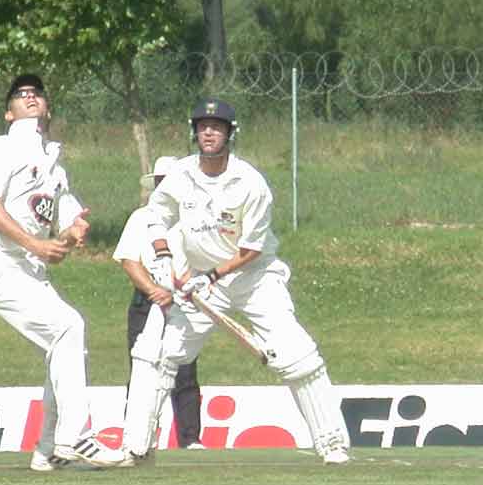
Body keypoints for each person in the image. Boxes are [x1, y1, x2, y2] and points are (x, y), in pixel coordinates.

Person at [127, 98, 350, 465]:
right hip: (201, 282)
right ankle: (139, 446)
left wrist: (212, 276)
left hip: (253, 279)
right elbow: (156, 217)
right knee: (162, 356)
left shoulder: (251, 183)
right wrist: (165, 258)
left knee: (297, 356)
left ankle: (331, 443)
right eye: (202, 126)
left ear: (231, 133)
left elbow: (251, 249)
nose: (209, 132)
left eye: (217, 126)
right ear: (194, 132)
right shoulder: (180, 176)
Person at [0, 73, 124, 472]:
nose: (30, 96)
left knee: (67, 343)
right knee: (69, 326)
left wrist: (72, 233)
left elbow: (63, 221)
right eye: (21, 94)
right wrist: (35, 245)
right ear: (8, 110)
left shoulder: (53, 163)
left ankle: (49, 448)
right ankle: (76, 436)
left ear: (47, 106)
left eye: (36, 93)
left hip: (28, 270)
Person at [113, 156, 204, 458]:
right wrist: (155, 291)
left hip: (184, 300)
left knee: (185, 371)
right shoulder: (142, 217)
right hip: (148, 300)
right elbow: (129, 260)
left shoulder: (193, 219)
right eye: (162, 182)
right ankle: (135, 438)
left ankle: (191, 439)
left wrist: (186, 286)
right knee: (142, 367)